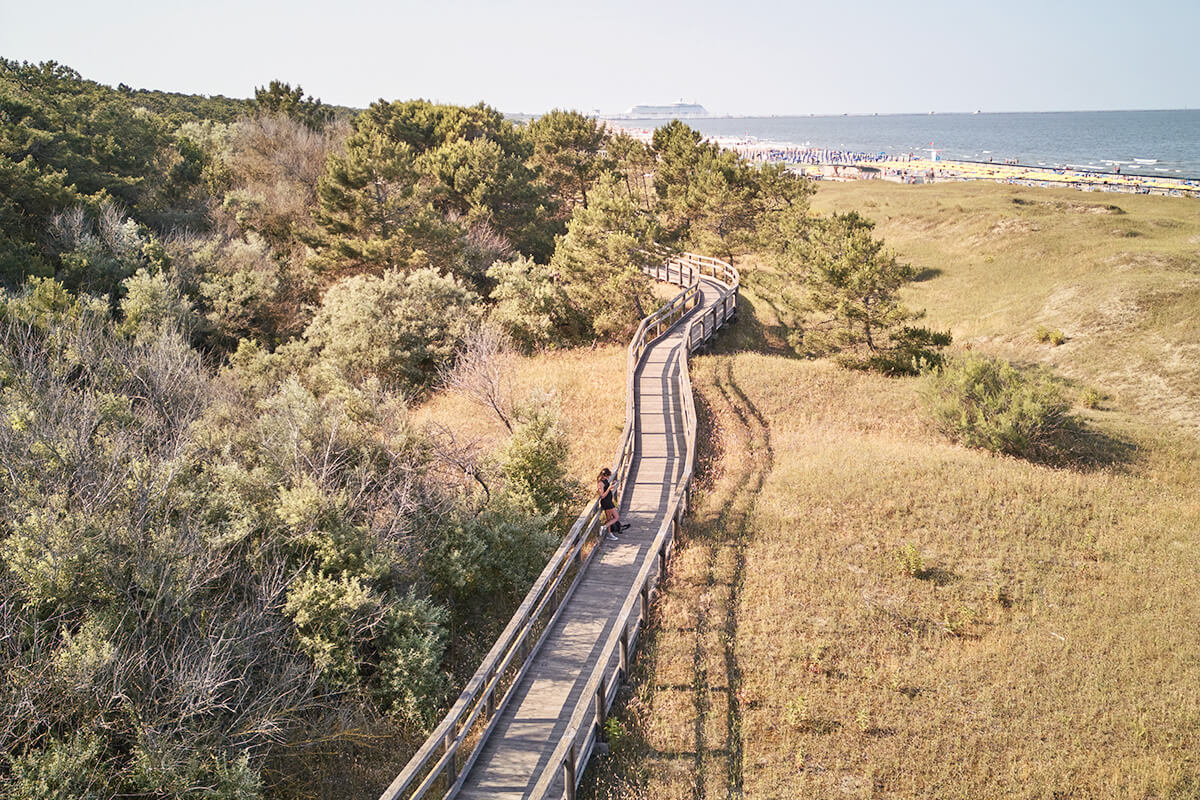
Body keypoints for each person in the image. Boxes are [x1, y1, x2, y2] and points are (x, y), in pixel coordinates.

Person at [597, 468, 623, 540]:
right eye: (608, 476)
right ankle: (604, 527)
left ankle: (609, 533)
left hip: (609, 501)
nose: (608, 477)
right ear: (604, 475)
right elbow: (602, 496)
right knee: (616, 517)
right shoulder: (600, 483)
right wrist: (609, 488)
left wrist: (612, 484)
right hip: (606, 502)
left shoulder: (605, 480)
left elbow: (607, 487)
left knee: (609, 519)